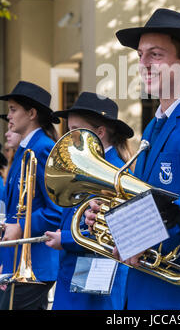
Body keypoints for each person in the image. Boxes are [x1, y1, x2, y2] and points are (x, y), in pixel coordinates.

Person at [86, 8, 180, 310]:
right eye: (140, 55)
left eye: (155, 54)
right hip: (145, 294)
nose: (143, 64)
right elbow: (146, 199)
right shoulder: (156, 125)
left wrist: (139, 228)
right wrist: (111, 220)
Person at [45, 91, 133, 310]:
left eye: (74, 131)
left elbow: (111, 234)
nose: (68, 138)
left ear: (100, 132)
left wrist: (64, 239)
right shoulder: (88, 165)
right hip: (78, 270)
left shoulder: (115, 171)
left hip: (99, 275)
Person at [0, 80, 62, 310]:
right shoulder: (25, 150)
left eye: (14, 109)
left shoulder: (43, 148)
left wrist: (21, 226)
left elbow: (56, 211)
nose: (9, 116)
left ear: (32, 113)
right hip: (17, 260)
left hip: (35, 262)